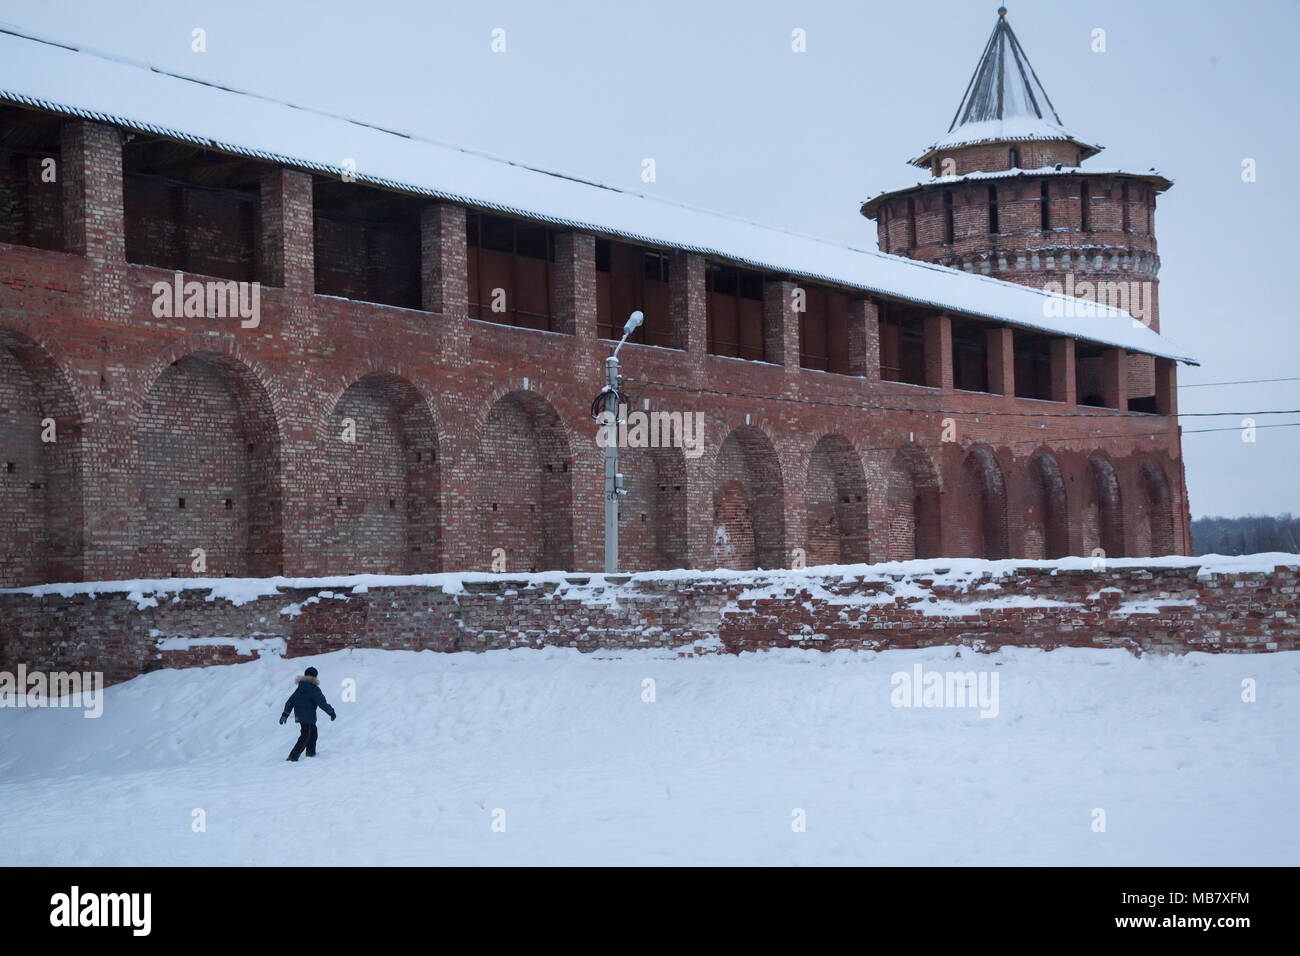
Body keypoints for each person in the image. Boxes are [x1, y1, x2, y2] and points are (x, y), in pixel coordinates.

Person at [279, 666, 336, 761]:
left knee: (313, 733)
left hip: (300, 716)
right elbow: (322, 703)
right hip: (309, 716)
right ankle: (293, 757)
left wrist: (285, 714)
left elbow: (290, 702)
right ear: (315, 677)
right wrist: (331, 712)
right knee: (306, 735)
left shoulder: (300, 688)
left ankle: (311, 753)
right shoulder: (314, 689)